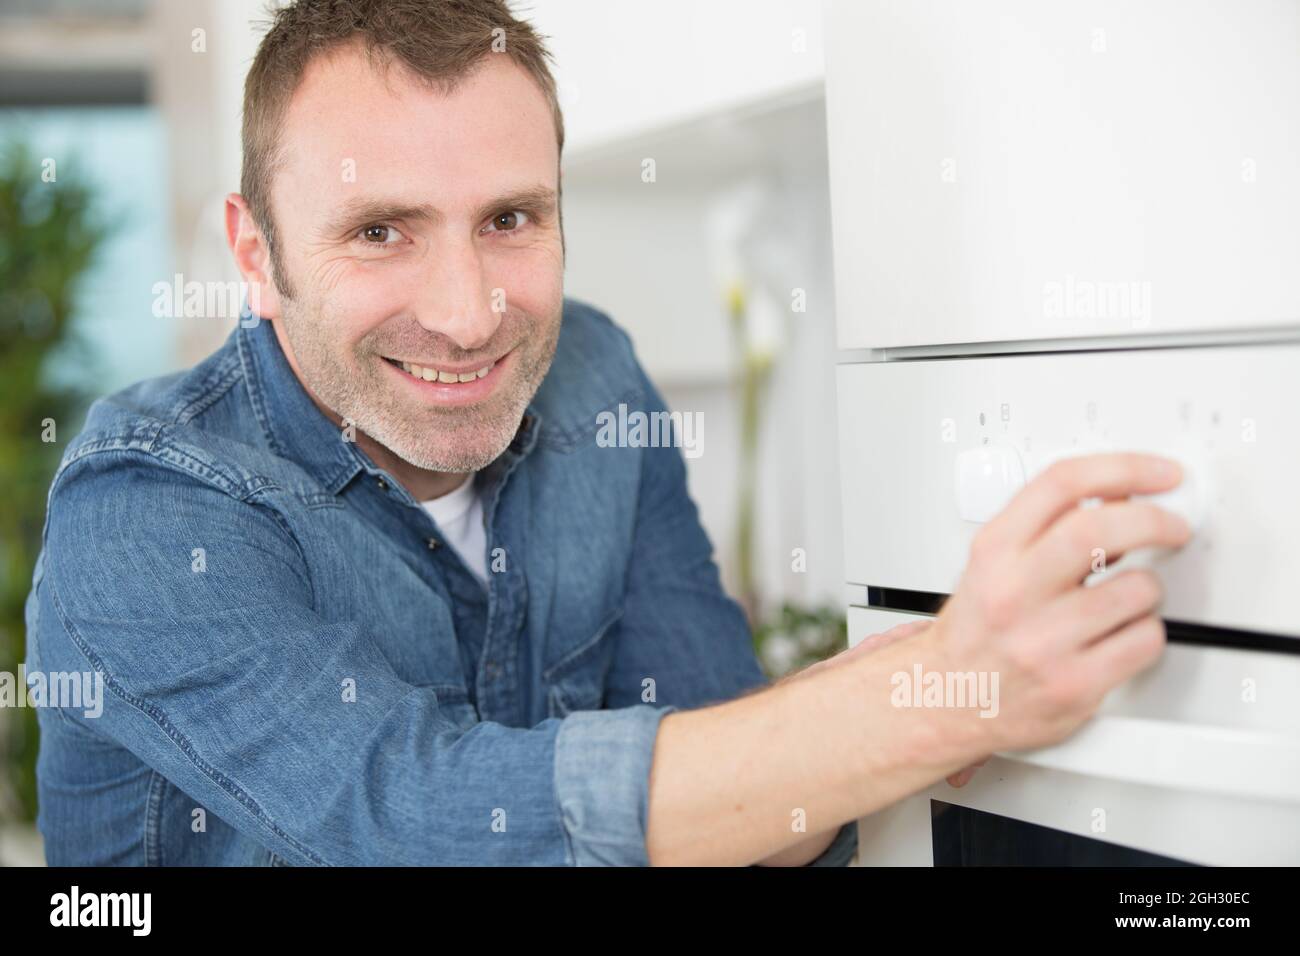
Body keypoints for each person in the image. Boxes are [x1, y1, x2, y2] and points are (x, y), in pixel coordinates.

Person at [25, 0, 1190, 866]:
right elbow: (416, 818)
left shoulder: (592, 377)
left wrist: (895, 701)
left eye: (510, 217)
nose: (469, 311)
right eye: (381, 230)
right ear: (254, 253)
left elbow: (736, 800)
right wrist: (932, 695)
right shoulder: (143, 508)